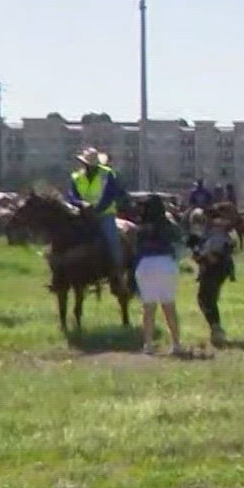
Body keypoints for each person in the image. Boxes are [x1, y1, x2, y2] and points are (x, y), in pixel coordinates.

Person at [132, 194, 185, 356]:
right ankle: (176, 344)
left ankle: (148, 344)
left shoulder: (141, 227)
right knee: (169, 306)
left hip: (146, 265)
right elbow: (180, 239)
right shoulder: (168, 225)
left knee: (148, 308)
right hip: (166, 263)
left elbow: (136, 247)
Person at [66, 146, 127, 279]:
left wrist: (97, 210)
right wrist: (81, 204)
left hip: (104, 214)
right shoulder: (76, 177)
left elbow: (111, 195)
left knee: (113, 240)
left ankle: (117, 271)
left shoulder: (107, 174)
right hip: (82, 214)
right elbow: (71, 196)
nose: (87, 166)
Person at [188, 222, 237, 346]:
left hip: (214, 269)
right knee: (207, 299)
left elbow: (212, 257)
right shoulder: (215, 233)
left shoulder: (214, 233)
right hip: (218, 268)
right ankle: (216, 328)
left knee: (206, 299)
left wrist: (200, 256)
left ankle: (217, 330)